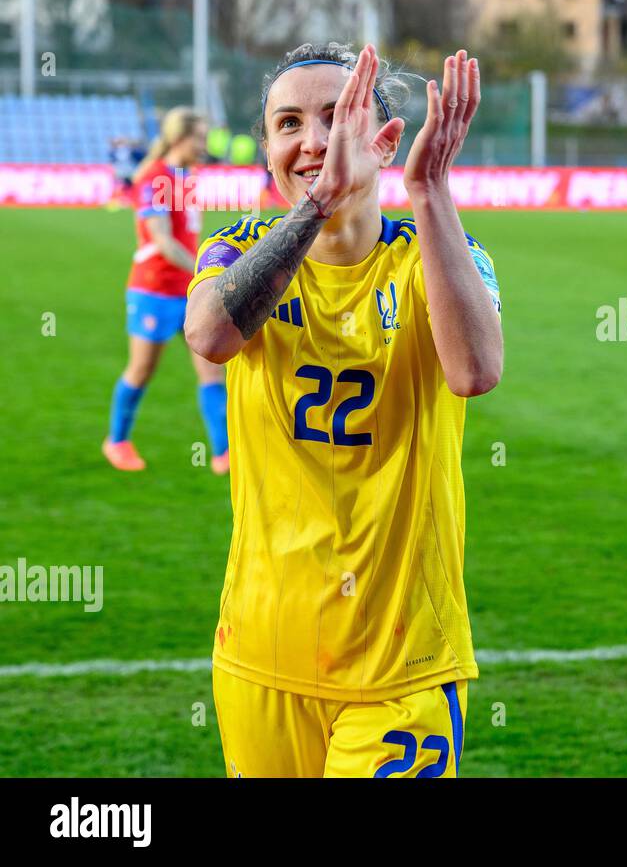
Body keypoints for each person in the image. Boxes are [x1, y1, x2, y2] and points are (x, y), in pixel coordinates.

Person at [184, 42, 503, 778]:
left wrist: (430, 193)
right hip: (262, 654)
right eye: (289, 123)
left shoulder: (441, 253)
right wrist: (320, 203)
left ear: (386, 141)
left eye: (338, 116)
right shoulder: (234, 249)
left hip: (403, 660)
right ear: (267, 150)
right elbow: (209, 334)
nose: (312, 140)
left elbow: (476, 370)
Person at [103, 107, 229, 474]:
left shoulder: (187, 177)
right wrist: (206, 274)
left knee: (212, 372)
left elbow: (189, 237)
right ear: (179, 139)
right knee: (141, 370)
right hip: (153, 290)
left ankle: (223, 453)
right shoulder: (155, 179)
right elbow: (162, 241)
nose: (205, 146)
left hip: (187, 291)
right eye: (199, 138)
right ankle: (116, 441)